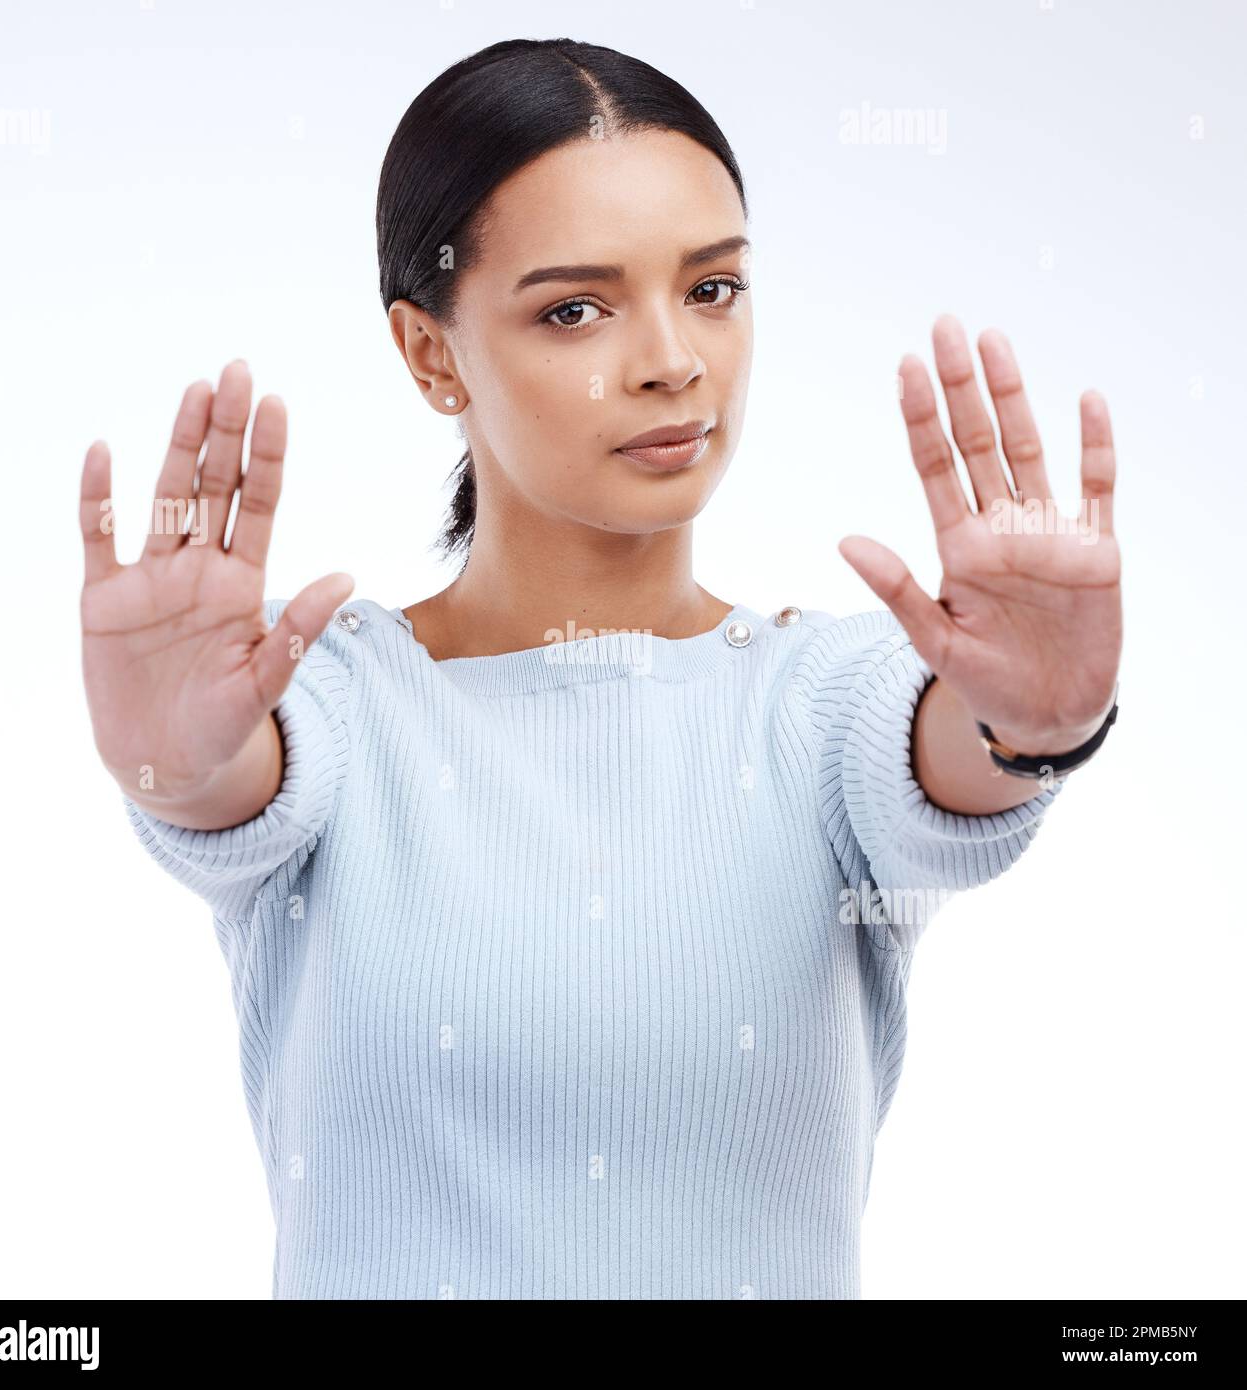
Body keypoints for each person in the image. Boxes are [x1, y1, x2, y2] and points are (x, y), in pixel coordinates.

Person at [79, 38, 1122, 1299]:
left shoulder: (827, 698)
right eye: (575, 308)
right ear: (431, 354)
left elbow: (956, 756)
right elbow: (229, 783)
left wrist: (1039, 725)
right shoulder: (333, 701)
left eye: (713, 289)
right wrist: (170, 759)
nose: (672, 361)